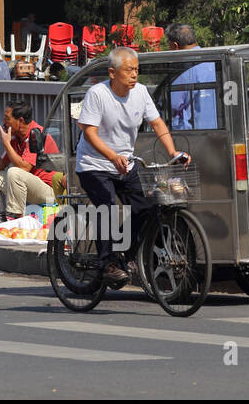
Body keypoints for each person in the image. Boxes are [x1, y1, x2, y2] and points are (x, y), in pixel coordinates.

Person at [75, 46, 189, 288]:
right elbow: (88, 133)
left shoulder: (141, 93)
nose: (134, 75)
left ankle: (123, 253)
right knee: (107, 207)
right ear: (113, 73)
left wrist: (173, 152)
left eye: (136, 70)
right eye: (129, 70)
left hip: (125, 164)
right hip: (94, 165)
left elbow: (157, 123)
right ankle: (107, 264)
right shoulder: (98, 93)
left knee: (147, 204)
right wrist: (111, 155)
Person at [0, 102, 62, 218]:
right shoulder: (16, 136)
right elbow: (3, 162)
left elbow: (24, 168)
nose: (4, 122)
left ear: (21, 121)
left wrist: (6, 143)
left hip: (49, 191)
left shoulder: (37, 134)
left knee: (14, 172)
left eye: (7, 118)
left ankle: (16, 217)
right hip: (27, 186)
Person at [165, 23, 219, 130]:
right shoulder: (213, 62)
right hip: (217, 129)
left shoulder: (183, 69)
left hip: (191, 134)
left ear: (175, 46)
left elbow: (173, 104)